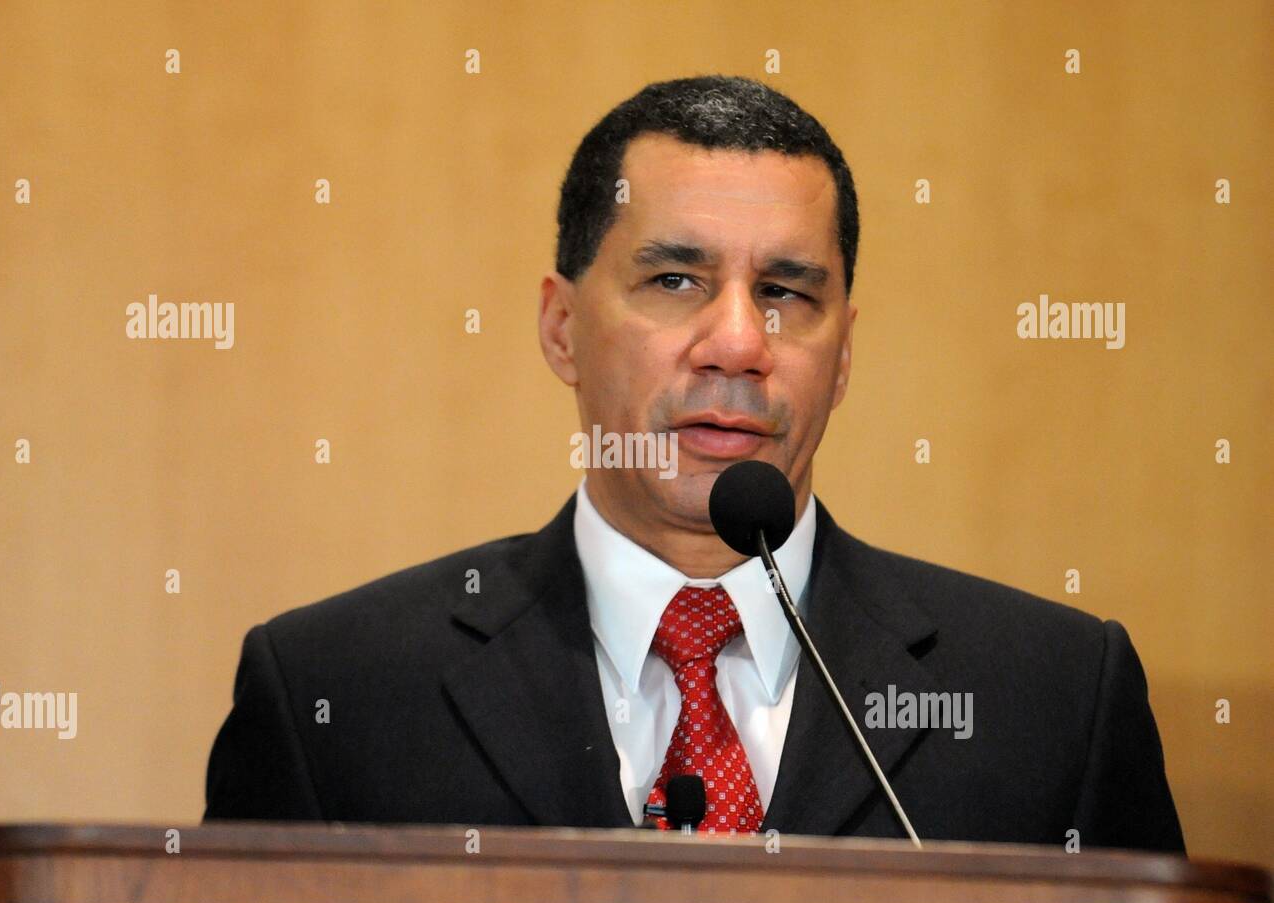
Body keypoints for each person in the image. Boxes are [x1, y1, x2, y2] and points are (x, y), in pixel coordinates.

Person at [204, 75, 1185, 852]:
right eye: (674, 279)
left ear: (841, 355)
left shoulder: (1052, 697)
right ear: (560, 327)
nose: (736, 342)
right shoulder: (339, 691)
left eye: (788, 292)